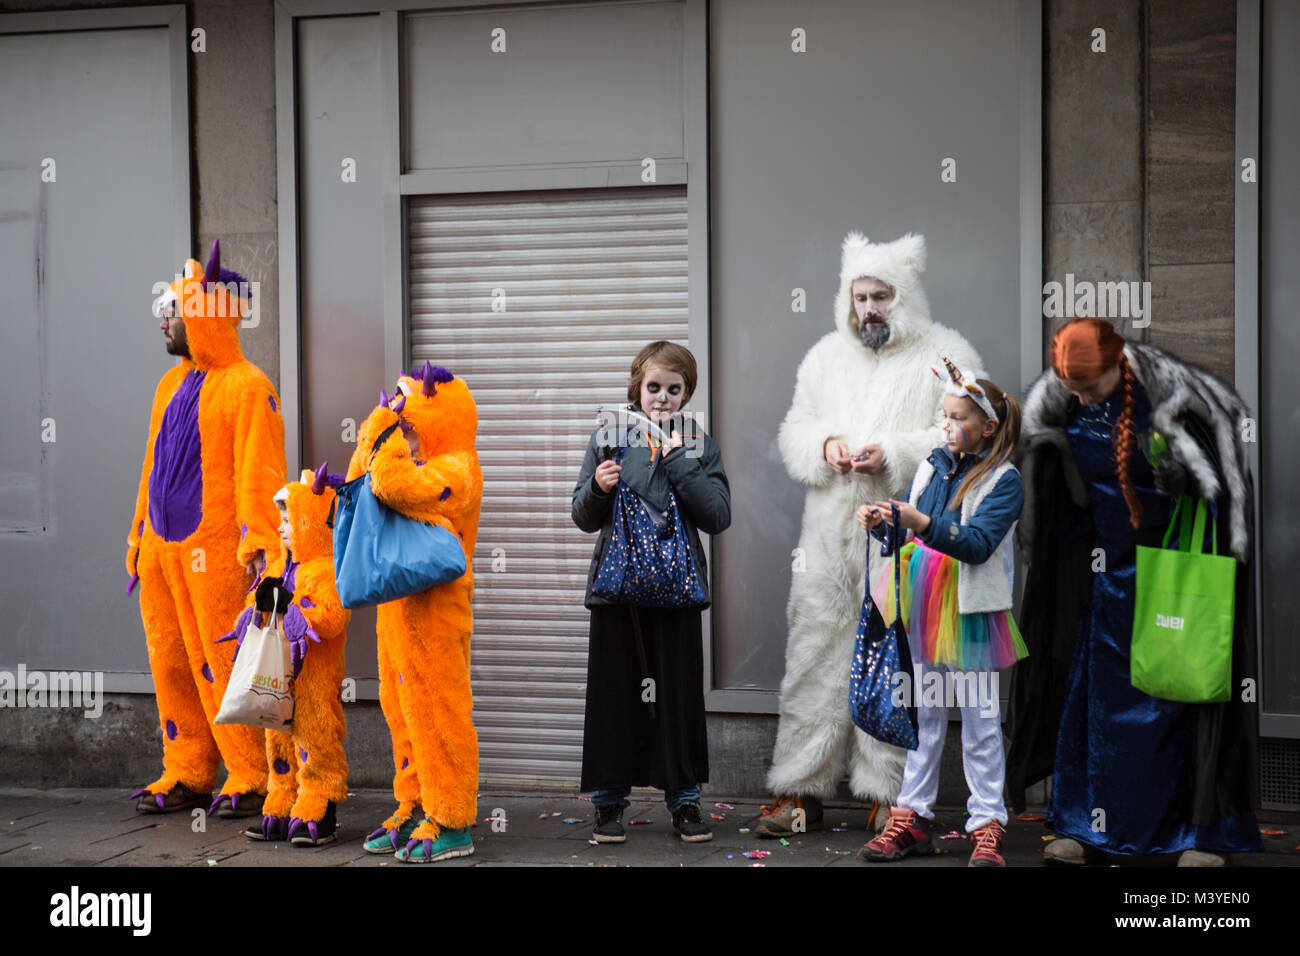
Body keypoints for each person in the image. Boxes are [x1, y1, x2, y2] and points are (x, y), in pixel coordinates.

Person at [1007, 318, 1261, 866]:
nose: (1080, 396)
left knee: (1177, 696)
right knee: (1101, 701)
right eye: (1072, 386)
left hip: (1174, 573)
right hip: (1106, 576)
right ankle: (1088, 826)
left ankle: (1195, 833)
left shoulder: (1176, 401)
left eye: (1089, 387)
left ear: (1117, 365)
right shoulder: (1062, 404)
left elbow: (1222, 481)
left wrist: (1185, 478)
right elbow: (1056, 483)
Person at [758, 233, 985, 838]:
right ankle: (799, 790)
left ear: (903, 296)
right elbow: (793, 431)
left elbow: (970, 433)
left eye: (881, 295)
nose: (870, 309)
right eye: (860, 296)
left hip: (904, 537)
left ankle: (891, 796)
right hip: (827, 540)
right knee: (814, 654)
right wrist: (824, 445)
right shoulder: (825, 357)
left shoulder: (946, 354)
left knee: (895, 660)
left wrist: (895, 452)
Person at [127, 241, 283, 817]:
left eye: (174, 310)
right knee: (169, 665)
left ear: (204, 317)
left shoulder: (248, 386)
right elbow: (151, 466)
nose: (164, 321)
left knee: (221, 664)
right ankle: (187, 767)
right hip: (162, 555)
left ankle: (251, 773)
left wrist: (264, 545)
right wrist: (137, 535)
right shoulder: (167, 387)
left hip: (216, 556)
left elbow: (259, 472)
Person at [855, 361, 1025, 867]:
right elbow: (909, 527)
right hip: (924, 603)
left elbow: (975, 545)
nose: (947, 426)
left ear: (988, 428)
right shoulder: (932, 464)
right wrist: (883, 521)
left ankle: (988, 821)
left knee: (979, 718)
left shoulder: (1004, 481)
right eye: (944, 416)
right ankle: (912, 816)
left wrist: (920, 520)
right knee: (924, 713)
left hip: (970, 611)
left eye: (956, 418)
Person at [572, 341, 731, 844]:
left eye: (674, 390)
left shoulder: (697, 442)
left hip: (677, 594)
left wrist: (680, 462)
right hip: (619, 595)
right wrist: (598, 487)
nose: (662, 399)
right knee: (615, 698)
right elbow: (581, 515)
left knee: (678, 699)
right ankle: (609, 804)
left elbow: (718, 516)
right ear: (637, 388)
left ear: (688, 394)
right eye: (654, 387)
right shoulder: (608, 437)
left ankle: (684, 802)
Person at [353, 362, 484, 863]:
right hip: (397, 608)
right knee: (401, 710)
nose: (404, 425)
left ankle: (452, 818)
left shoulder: (458, 467)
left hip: (438, 612)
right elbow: (360, 478)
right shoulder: (411, 454)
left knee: (440, 711)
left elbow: (392, 485)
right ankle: (414, 803)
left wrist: (384, 428)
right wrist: (381, 430)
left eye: (410, 415)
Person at [224, 463, 350, 847]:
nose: (280, 529)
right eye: (281, 520)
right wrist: (252, 613)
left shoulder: (326, 569)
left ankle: (319, 800)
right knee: (277, 735)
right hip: (276, 676)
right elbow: (255, 600)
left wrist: (301, 614)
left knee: (315, 736)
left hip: (314, 679)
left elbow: (332, 615)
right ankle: (282, 793)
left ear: (311, 522)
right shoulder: (278, 567)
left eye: (289, 521)